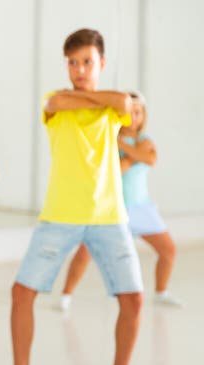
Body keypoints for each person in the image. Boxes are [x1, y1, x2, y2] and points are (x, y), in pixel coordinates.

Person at [0, 29, 158, 365]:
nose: (79, 69)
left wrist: (93, 98)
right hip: (60, 215)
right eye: (73, 62)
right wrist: (94, 98)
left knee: (134, 299)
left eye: (87, 62)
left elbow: (124, 101)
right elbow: (59, 101)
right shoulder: (56, 102)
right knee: (22, 292)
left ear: (102, 64)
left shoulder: (113, 109)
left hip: (109, 217)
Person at [59, 92, 182, 310]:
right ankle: (66, 295)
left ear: (144, 115)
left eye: (138, 112)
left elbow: (151, 158)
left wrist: (124, 147)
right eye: (129, 112)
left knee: (168, 250)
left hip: (141, 208)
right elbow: (120, 168)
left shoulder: (144, 141)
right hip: (112, 209)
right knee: (85, 251)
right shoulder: (109, 140)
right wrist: (133, 154)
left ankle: (161, 291)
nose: (133, 117)